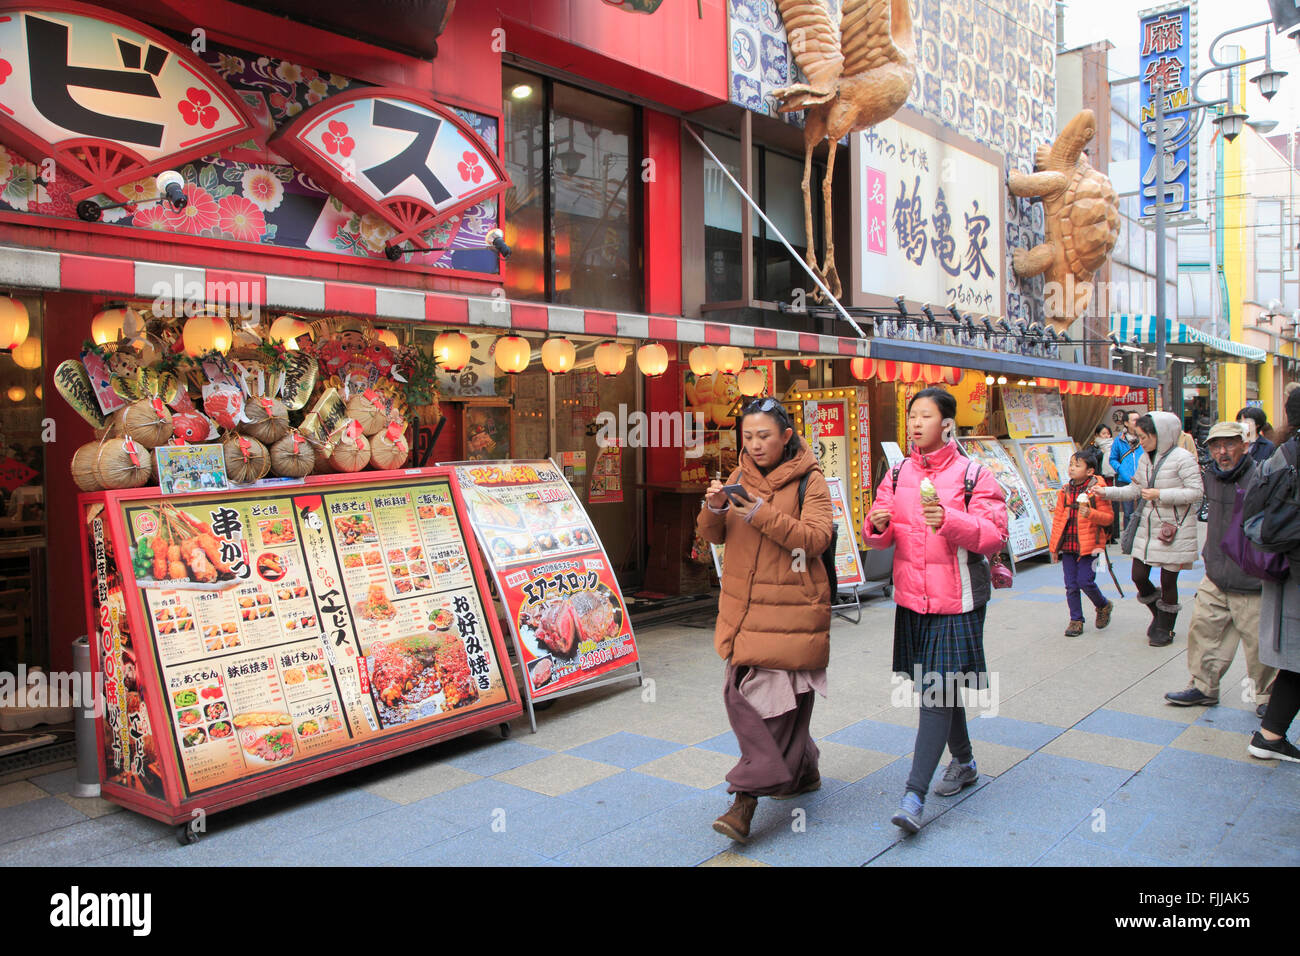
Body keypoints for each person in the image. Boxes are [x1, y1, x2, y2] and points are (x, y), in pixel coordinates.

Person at [863, 387, 1008, 834]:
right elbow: (878, 531)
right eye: (911, 417)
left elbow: (992, 535)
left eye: (925, 416)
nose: (916, 424)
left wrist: (947, 518)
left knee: (935, 692)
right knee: (943, 688)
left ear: (947, 423)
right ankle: (963, 762)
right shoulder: (899, 471)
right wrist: (876, 525)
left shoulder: (974, 474)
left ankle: (913, 795)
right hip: (912, 598)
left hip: (959, 600)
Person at [696, 396, 833, 843]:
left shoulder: (810, 481)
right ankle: (804, 767)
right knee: (766, 701)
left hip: (791, 612)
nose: (755, 445)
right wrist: (715, 507)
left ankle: (743, 802)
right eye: (748, 436)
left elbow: (815, 539)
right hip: (742, 610)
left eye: (764, 436)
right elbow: (713, 536)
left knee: (757, 705)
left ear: (786, 436)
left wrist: (759, 512)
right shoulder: (737, 477)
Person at [1164, 421, 1275, 713]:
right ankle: (1203, 687)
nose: (1222, 452)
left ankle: (1265, 698)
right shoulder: (1210, 476)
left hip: (1252, 578)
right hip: (1215, 572)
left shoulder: (1261, 476)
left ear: (1244, 445)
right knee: (1203, 631)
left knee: (1258, 644)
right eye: (1215, 446)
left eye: (1229, 445)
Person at [1095, 411, 1204, 646]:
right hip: (1148, 525)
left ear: (1161, 435)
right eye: (1139, 437)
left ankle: (1166, 627)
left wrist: (1161, 495)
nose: (1141, 442)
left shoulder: (1183, 458)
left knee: (1168, 581)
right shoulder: (1145, 458)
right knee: (1138, 575)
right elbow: (1135, 489)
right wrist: (1106, 492)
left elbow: (1197, 492)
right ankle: (1160, 616)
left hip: (1174, 528)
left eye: (1144, 437)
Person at [1248, 387, 1300, 762]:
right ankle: (1269, 734)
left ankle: (1269, 734)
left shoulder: (1280, 455)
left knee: (1296, 661)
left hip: (1284, 568)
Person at [1048, 447, 1114, 636]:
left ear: (1090, 471)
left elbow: (1109, 518)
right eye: (1070, 465)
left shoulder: (1097, 491)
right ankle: (1076, 620)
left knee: (1085, 580)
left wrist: (1091, 513)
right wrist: (1054, 547)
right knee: (1071, 584)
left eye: (1077, 465)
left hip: (1091, 546)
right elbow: (1059, 519)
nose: (1071, 468)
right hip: (1069, 544)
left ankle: (1103, 604)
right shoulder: (1065, 490)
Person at [1109, 410, 1145, 522]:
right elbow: (1113, 459)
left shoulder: (1144, 438)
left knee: (1142, 511)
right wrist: (1121, 470)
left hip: (1142, 479)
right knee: (1128, 513)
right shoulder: (1119, 440)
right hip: (1124, 480)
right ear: (1126, 423)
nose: (1137, 422)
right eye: (1134, 420)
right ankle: (1128, 537)